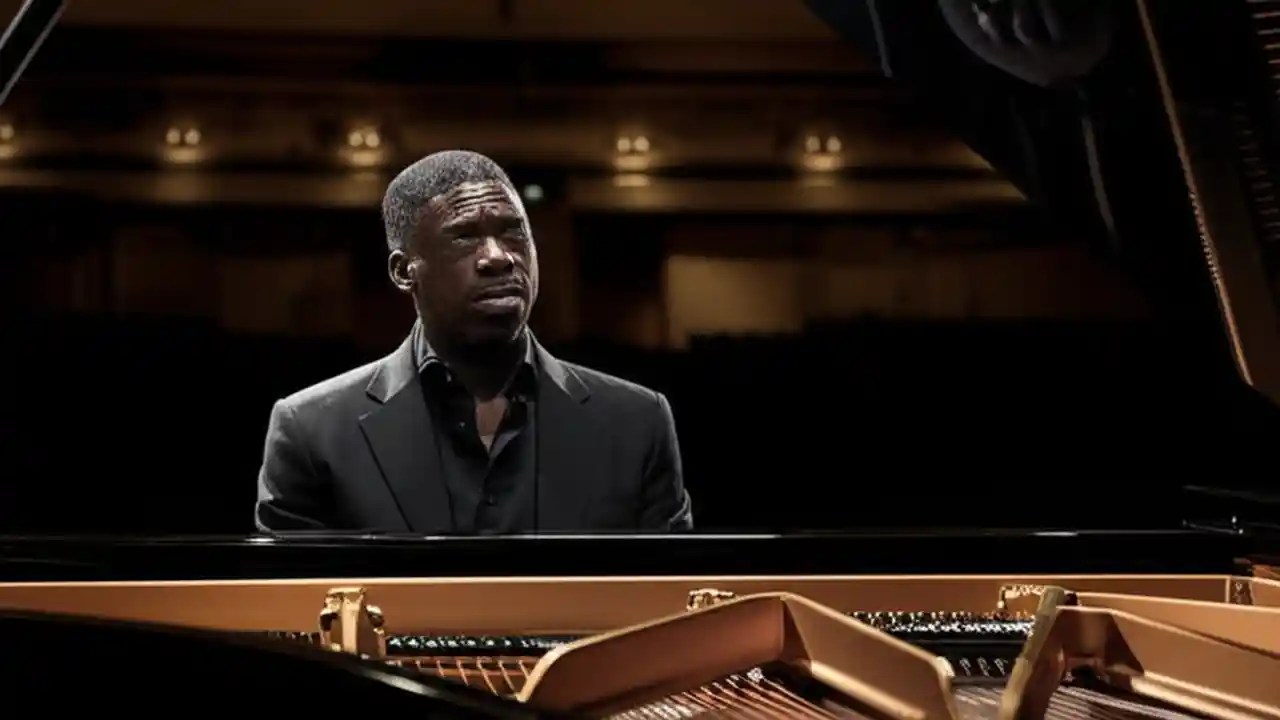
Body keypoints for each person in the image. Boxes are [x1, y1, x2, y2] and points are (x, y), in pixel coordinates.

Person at [254, 150, 693, 534]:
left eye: (513, 232)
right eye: (465, 236)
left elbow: (671, 611)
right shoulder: (310, 431)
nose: (498, 257)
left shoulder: (639, 425)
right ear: (404, 271)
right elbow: (296, 617)